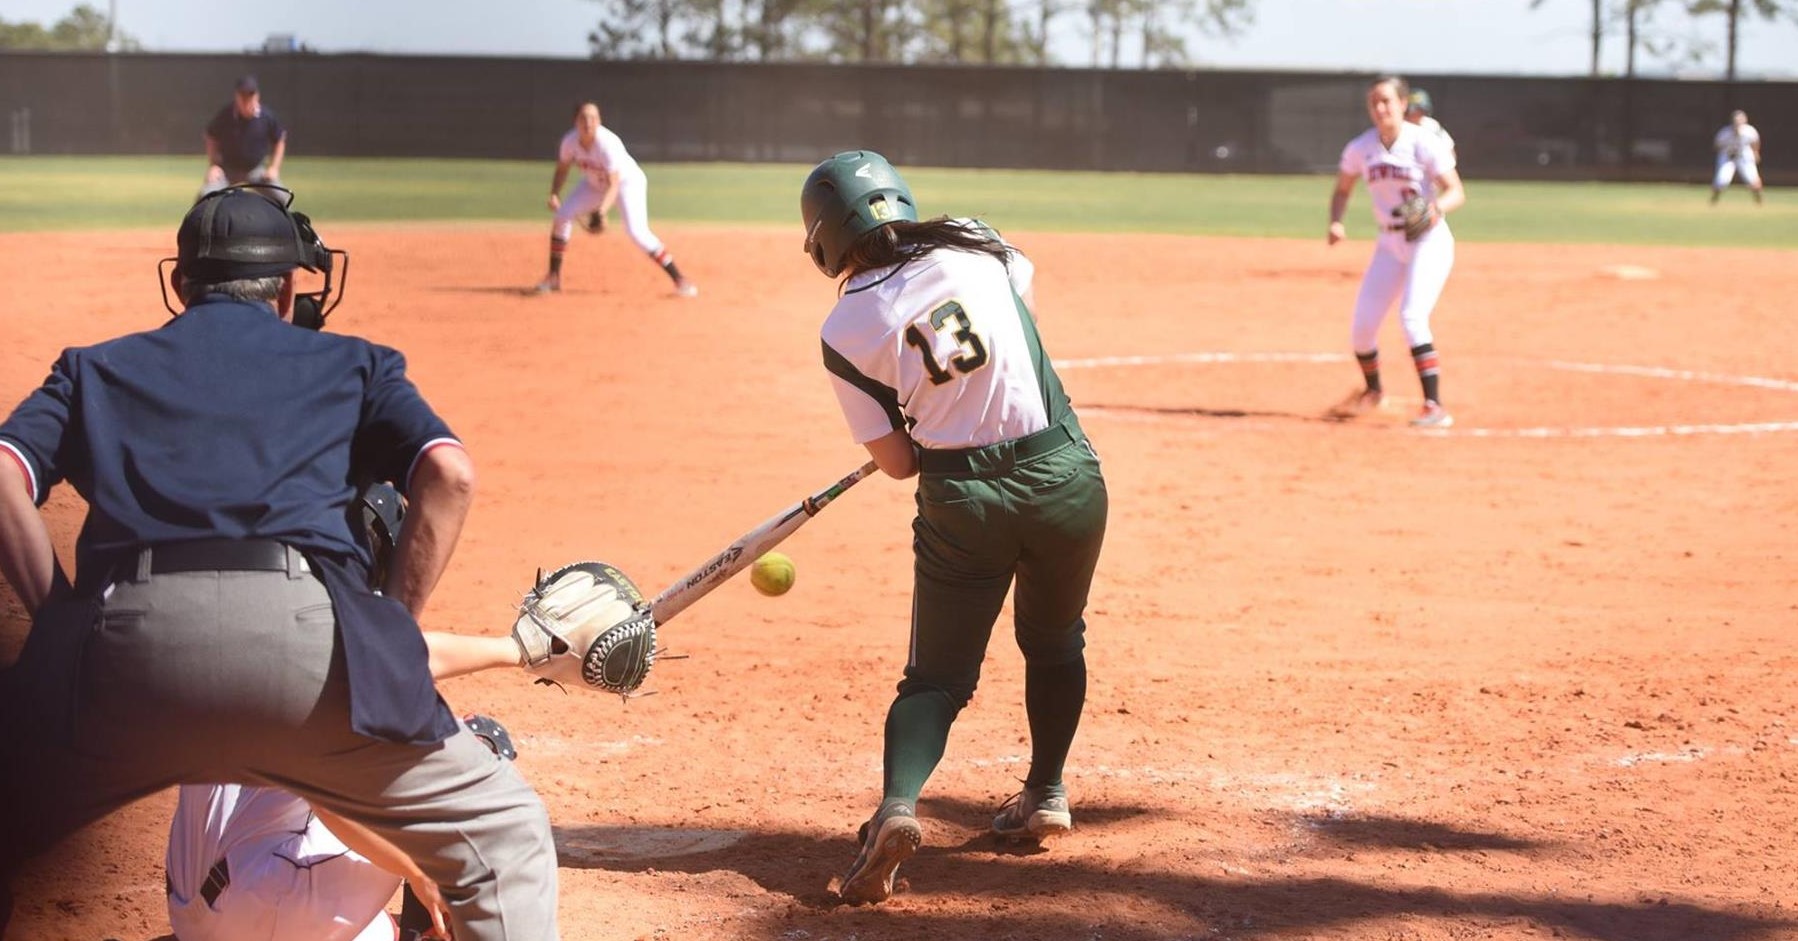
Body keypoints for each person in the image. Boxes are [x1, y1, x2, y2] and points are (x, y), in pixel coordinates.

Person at [0, 185, 559, 941]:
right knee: (504, 834)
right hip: (309, 652)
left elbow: (4, 473)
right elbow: (450, 473)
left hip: (125, 653)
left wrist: (62, 627)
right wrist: (385, 634)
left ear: (179, 283)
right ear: (291, 285)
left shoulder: (91, 368)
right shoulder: (355, 362)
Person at [800, 151, 1109, 904]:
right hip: (1067, 477)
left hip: (964, 500)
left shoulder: (846, 327)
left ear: (825, 240)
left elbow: (900, 464)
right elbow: (1019, 314)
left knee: (937, 678)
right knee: (1055, 638)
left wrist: (918, 415)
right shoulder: (973, 238)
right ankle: (1046, 790)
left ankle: (898, 808)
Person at [166, 714, 518, 941]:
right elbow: (329, 809)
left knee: (380, 932)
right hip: (244, 912)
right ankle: (422, 930)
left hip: (188, 907)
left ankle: (416, 930)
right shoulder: (382, 730)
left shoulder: (264, 687)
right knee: (422, 824)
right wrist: (419, 871)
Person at [1326, 75, 1468, 429]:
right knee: (1361, 329)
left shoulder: (1422, 142)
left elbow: (1455, 191)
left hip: (1428, 240)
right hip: (1389, 244)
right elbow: (1342, 189)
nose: (1379, 108)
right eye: (1373, 102)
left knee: (1412, 317)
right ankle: (1373, 392)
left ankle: (1434, 406)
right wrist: (1336, 222)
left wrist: (1435, 210)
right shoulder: (1361, 147)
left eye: (1386, 101)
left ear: (1403, 104)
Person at [535, 101, 697, 297]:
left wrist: (601, 211)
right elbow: (562, 168)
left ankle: (680, 280)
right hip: (594, 185)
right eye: (583, 118)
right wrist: (554, 193)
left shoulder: (607, 143)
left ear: (599, 121)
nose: (588, 122)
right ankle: (553, 278)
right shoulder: (569, 142)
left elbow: (614, 184)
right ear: (575, 122)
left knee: (637, 232)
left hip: (628, 184)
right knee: (563, 216)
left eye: (593, 118)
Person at [200, 75, 287, 199]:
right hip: (228, 170)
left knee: (283, 197)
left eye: (250, 95)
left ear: (257, 96)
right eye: (243, 95)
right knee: (205, 196)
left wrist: (274, 168)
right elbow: (210, 136)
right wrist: (214, 165)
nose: (247, 99)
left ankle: (289, 219)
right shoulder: (226, 115)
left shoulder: (266, 116)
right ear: (236, 96)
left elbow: (279, 140)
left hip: (256, 170)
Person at [1711, 109, 1764, 206]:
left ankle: (1759, 202)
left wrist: (1756, 153)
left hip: (1744, 156)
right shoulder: (1724, 133)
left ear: (1745, 121)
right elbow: (1717, 145)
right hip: (1728, 157)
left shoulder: (1750, 131)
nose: (1738, 123)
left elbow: (1755, 142)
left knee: (1753, 179)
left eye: (1740, 121)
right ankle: (1714, 201)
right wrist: (1727, 152)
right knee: (1722, 180)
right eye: (1736, 121)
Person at [1404, 88, 1457, 159]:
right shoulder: (1400, 126)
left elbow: (1449, 148)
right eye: (1414, 110)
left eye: (1421, 110)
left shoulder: (1431, 125)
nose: (1417, 113)